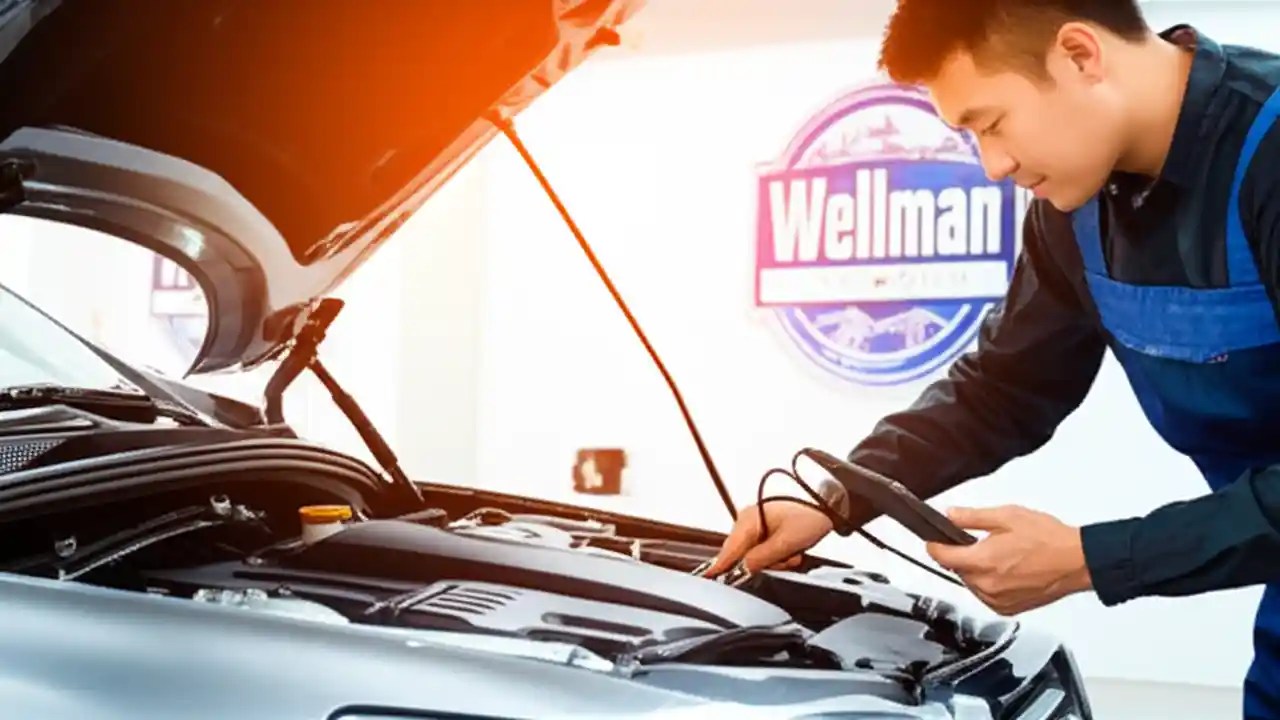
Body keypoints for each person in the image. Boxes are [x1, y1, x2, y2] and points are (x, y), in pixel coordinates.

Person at [704, 1, 1280, 715]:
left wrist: (1094, 557)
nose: (993, 164)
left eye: (992, 123)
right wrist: (840, 495)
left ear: (1080, 55)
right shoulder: (1074, 209)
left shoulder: (1272, 153)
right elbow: (1002, 390)